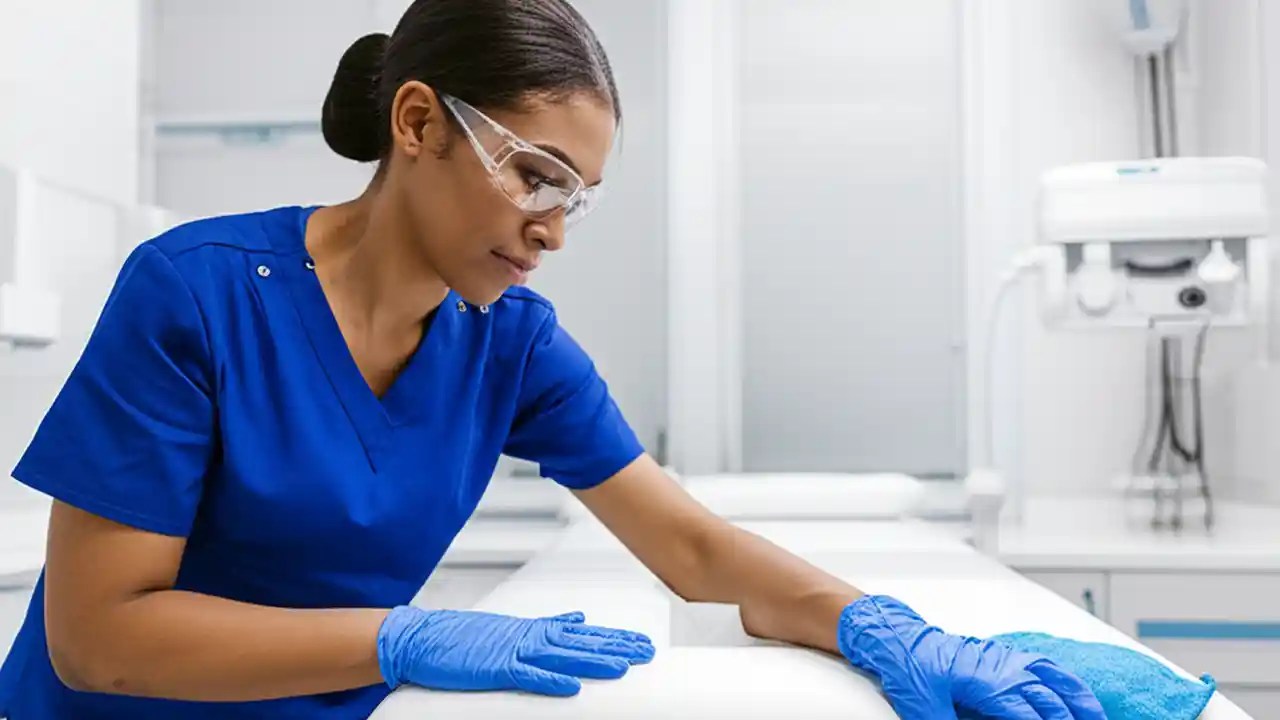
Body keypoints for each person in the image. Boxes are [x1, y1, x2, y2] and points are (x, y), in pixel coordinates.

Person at [0, 1, 1107, 718]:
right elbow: (100, 637)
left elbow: (688, 546)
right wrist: (407, 636)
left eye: (575, 197)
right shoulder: (194, 290)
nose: (553, 229)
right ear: (420, 123)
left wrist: (882, 628)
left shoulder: (508, 341)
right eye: (533, 175)